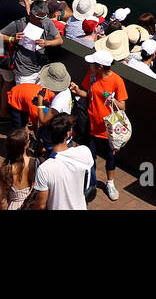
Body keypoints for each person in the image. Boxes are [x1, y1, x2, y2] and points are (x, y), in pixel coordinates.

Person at [75, 48, 127, 201]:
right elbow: (88, 95)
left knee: (110, 157)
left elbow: (122, 106)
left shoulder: (117, 81)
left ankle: (110, 183)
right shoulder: (91, 75)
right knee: (90, 156)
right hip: (91, 125)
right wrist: (77, 90)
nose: (89, 65)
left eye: (92, 64)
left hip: (109, 129)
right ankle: (90, 184)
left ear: (100, 67)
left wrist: (113, 101)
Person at [30, 113, 95, 210]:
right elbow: (90, 183)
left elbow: (40, 205)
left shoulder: (44, 169)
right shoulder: (85, 152)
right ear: (68, 134)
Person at [0, 128, 37, 210]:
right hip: (32, 205)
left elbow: (1, 201)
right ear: (26, 145)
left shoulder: (4, 169)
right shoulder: (36, 163)